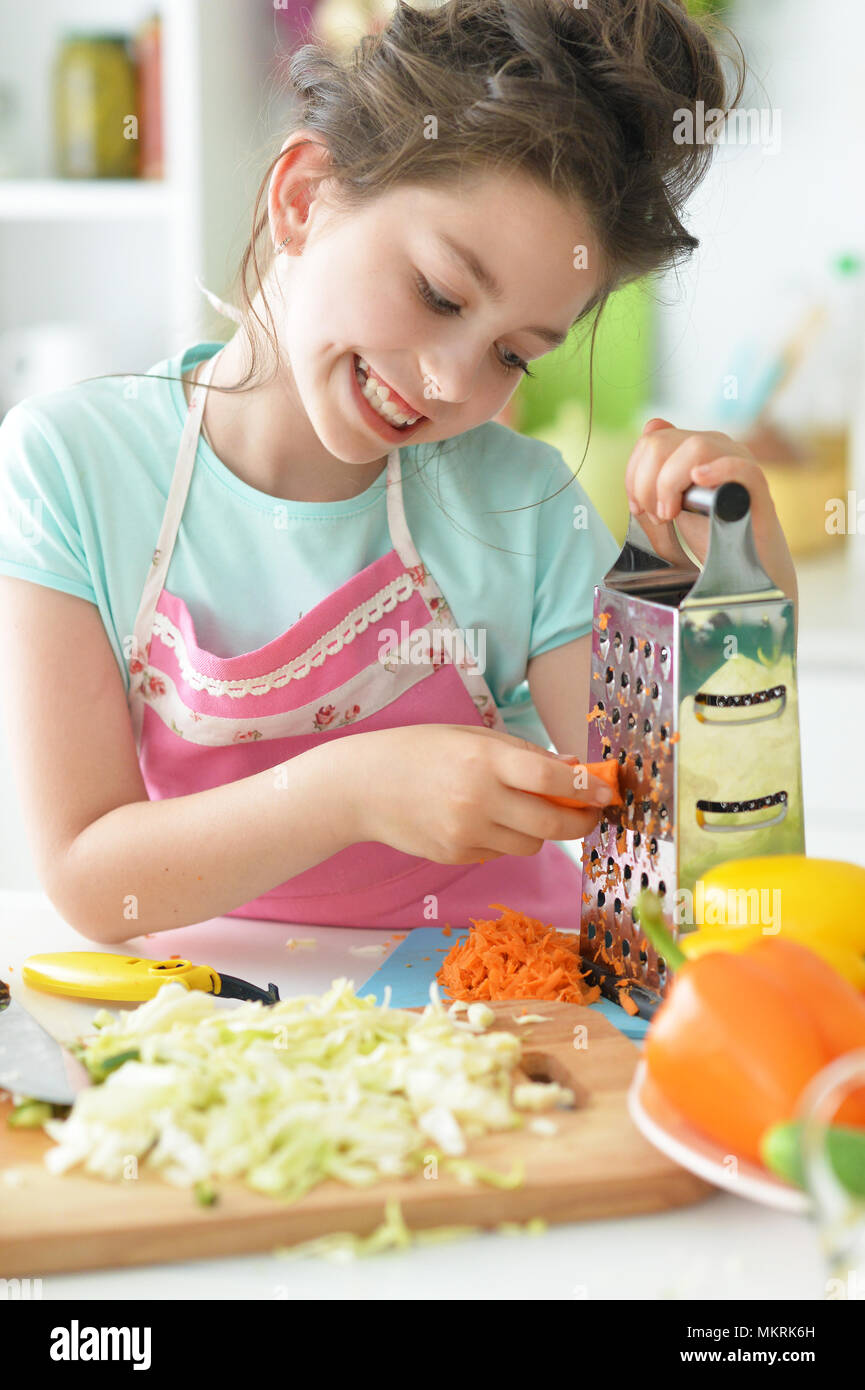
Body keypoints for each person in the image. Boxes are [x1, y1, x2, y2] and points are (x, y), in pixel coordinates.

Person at [0, 0, 794, 942]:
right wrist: (352, 791)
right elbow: (93, 881)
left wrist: (745, 594)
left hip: (503, 1019)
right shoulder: (71, 467)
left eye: (513, 354)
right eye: (439, 294)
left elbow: (687, 844)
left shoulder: (521, 504)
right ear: (303, 196)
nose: (451, 379)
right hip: (224, 1014)